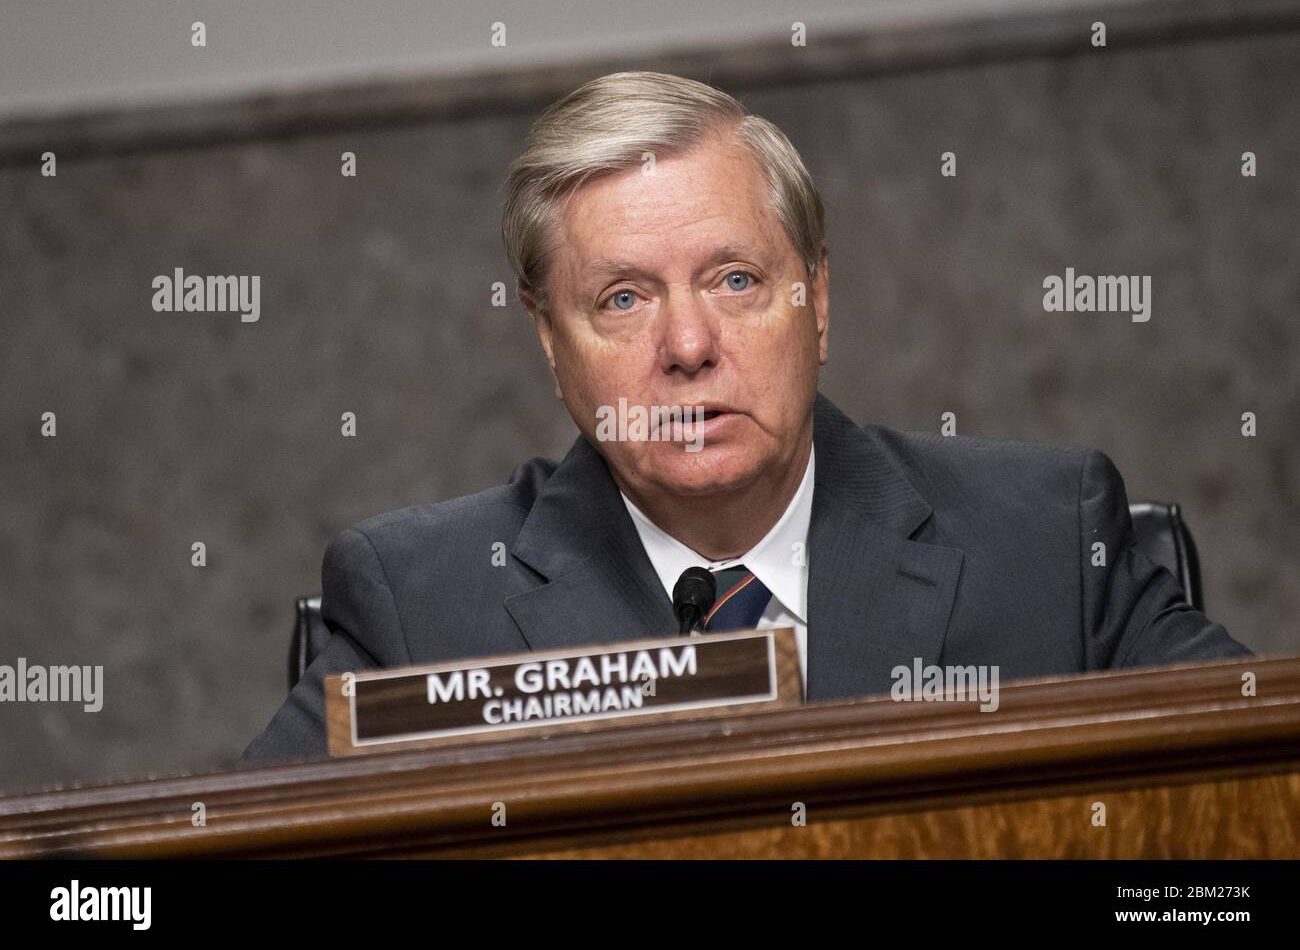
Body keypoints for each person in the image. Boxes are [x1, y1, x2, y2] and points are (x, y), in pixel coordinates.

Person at [243, 71, 1249, 764]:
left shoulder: (1042, 540)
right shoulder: (424, 604)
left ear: (815, 300)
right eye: (622, 299)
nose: (687, 345)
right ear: (550, 340)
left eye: (735, 278)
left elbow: (1257, 788)